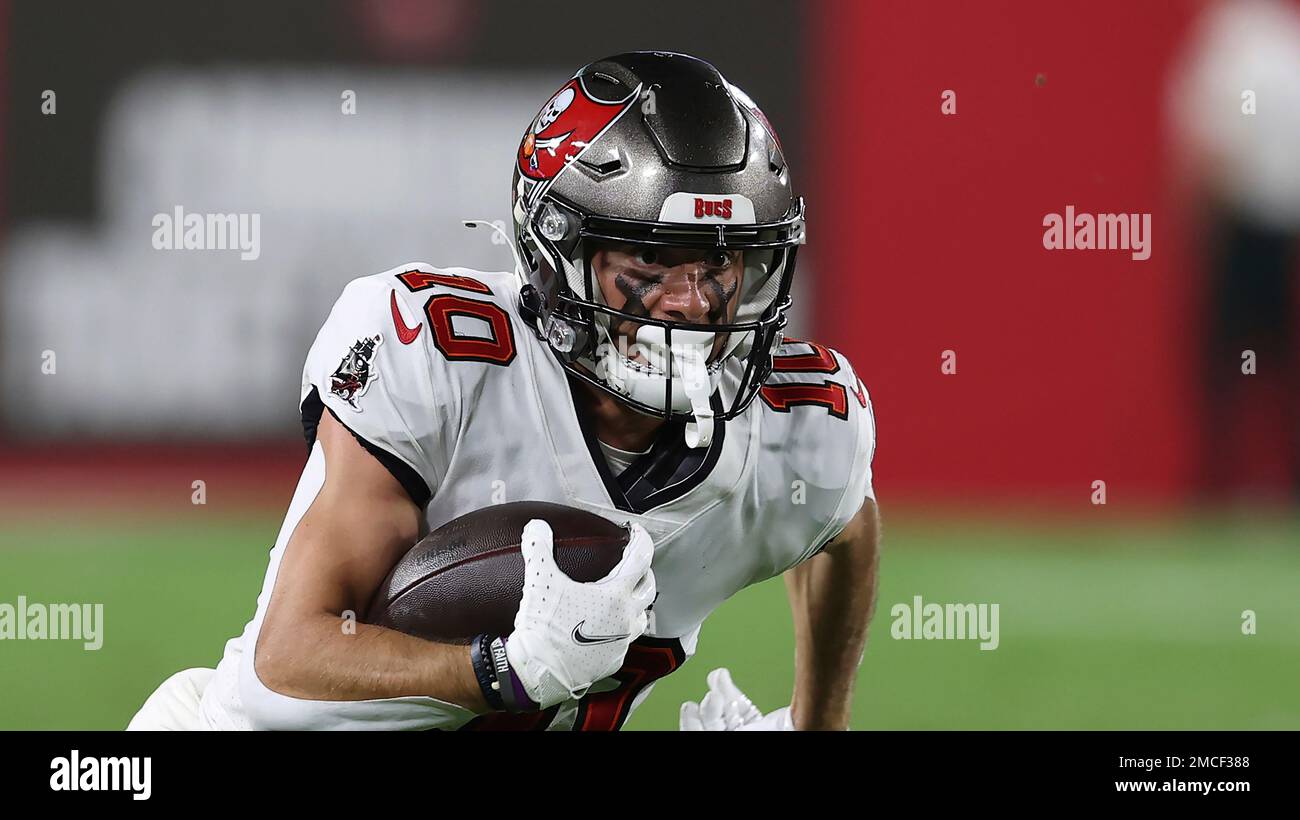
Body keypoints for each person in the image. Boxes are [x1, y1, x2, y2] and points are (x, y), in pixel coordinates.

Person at [129, 51, 880, 731]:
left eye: (719, 265)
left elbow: (843, 524)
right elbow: (286, 666)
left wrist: (819, 720)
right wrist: (502, 671)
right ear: (557, 254)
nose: (690, 303)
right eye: (651, 262)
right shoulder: (443, 357)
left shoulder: (801, 431)